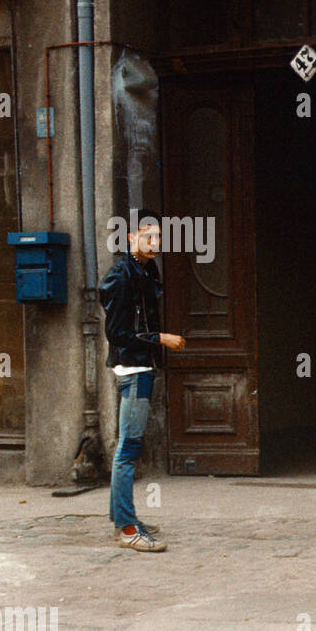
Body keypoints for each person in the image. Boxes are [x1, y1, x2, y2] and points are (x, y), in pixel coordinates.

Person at [99, 213, 185, 553]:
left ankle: (122, 519)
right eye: (148, 237)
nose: (155, 244)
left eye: (159, 238)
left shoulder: (146, 270)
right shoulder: (119, 277)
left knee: (129, 446)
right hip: (132, 370)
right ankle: (127, 527)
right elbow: (117, 334)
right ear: (131, 236)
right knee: (128, 449)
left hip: (142, 368)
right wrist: (160, 339)